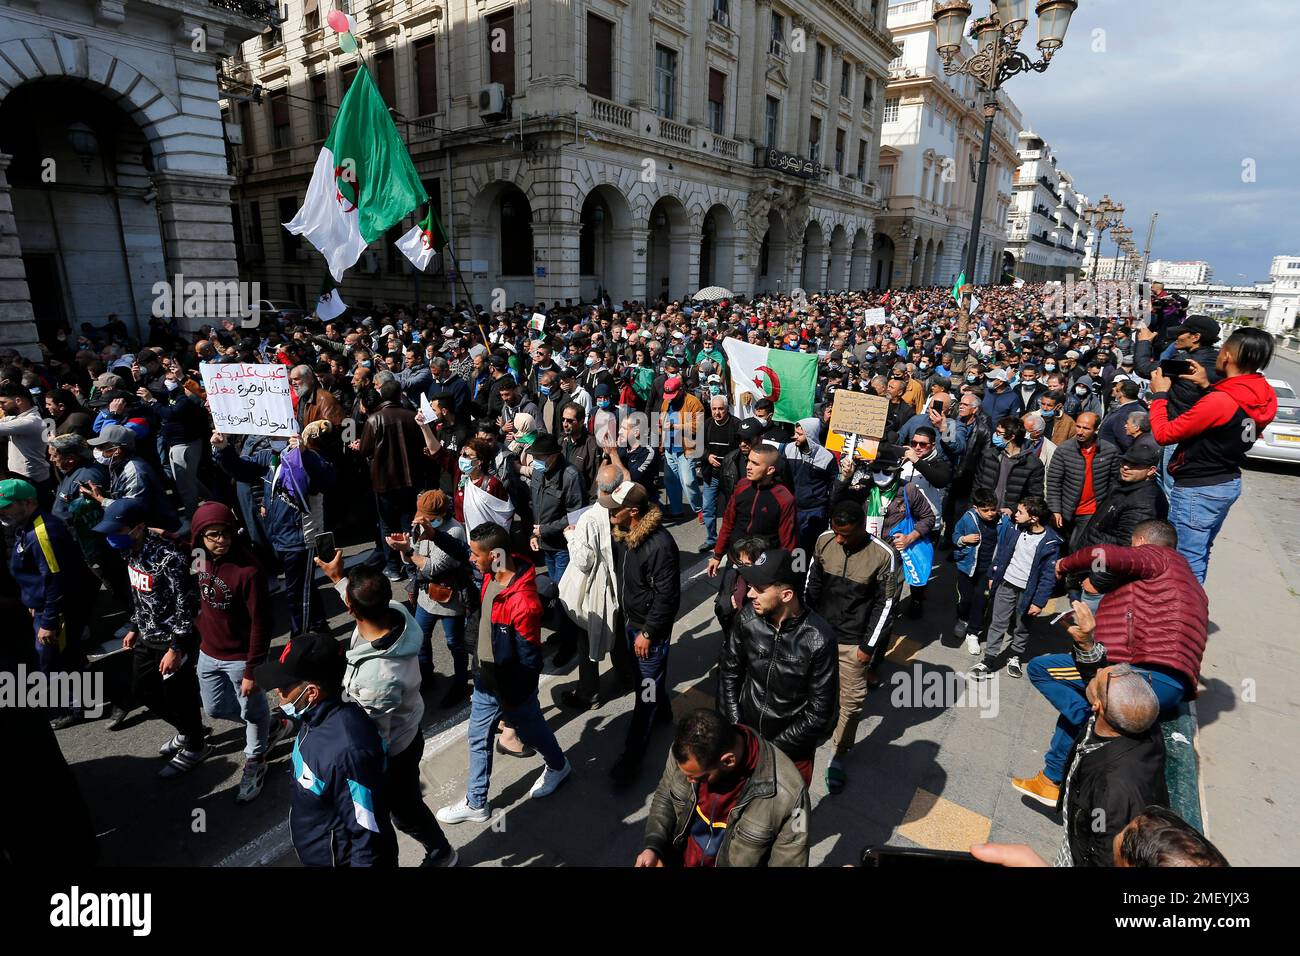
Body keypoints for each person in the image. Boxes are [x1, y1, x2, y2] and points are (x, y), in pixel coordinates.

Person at [1018, 520, 1208, 805]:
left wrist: (1064, 565)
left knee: (1042, 670)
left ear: (1141, 542)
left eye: (1133, 547)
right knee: (1082, 691)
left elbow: (1102, 554)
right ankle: (1050, 779)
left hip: (1143, 674)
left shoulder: (1158, 557)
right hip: (1171, 682)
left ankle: (1086, 726)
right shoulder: (1189, 581)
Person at [315, 555, 459, 867]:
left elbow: (371, 737)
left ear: (352, 610)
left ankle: (441, 853)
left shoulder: (377, 681)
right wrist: (340, 580)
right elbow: (365, 607)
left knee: (404, 813)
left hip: (393, 752)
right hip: (408, 730)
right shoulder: (393, 613)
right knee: (406, 804)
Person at [437, 522, 572, 824]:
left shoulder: (523, 602)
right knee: (477, 736)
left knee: (532, 730)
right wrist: (434, 535)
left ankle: (558, 766)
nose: (472, 559)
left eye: (476, 554)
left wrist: (514, 696)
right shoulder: (492, 572)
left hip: (510, 687)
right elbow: (463, 553)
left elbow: (529, 659)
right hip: (487, 679)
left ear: (495, 555)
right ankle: (476, 802)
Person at [253, 632, 399, 867]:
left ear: (311, 692)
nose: (277, 692)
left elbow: (369, 836)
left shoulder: (349, 752)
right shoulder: (316, 716)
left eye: (284, 686)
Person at [1148, 327, 1278, 583]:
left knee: (1185, 559)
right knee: (1200, 552)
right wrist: (1207, 386)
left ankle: (1185, 616)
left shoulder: (1221, 401)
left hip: (1199, 486)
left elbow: (1165, 433)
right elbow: (1231, 419)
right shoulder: (1264, 393)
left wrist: (1160, 395)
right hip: (1226, 479)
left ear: (1227, 356)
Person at [95, 496, 210, 777]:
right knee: (144, 689)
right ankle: (186, 730)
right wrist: (134, 625)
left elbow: (187, 603)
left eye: (118, 531)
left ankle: (196, 745)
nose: (112, 537)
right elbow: (139, 593)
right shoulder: (130, 552)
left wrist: (177, 647)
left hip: (173, 640)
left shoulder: (168, 557)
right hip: (147, 636)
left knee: (180, 694)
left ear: (138, 527)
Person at [190, 502, 287, 803]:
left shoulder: (248, 571)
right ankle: (269, 724)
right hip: (208, 652)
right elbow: (197, 590)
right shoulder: (198, 556)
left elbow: (261, 623)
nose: (222, 540)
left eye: (227, 534)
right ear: (200, 538)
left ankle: (256, 761)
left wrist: (251, 671)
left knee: (252, 710)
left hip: (240, 658)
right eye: (214, 535)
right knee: (215, 708)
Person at [719, 548, 838, 787]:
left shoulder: (819, 639)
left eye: (759, 589)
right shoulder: (746, 620)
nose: (750, 594)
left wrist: (772, 750)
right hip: (747, 741)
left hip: (792, 754)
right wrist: (738, 729)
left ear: (786, 595)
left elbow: (819, 713)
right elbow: (729, 675)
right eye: (750, 585)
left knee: (786, 817)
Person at [803, 499, 900, 793]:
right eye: (836, 532)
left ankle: (838, 754)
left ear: (862, 528)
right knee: (811, 687)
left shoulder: (883, 555)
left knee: (852, 702)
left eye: (845, 534)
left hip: (853, 643)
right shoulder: (824, 540)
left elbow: (887, 605)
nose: (840, 539)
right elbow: (812, 584)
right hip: (818, 634)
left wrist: (867, 647)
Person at [636, 708, 810, 868]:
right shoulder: (685, 754)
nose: (688, 780)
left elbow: (790, 860)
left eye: (700, 778)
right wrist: (654, 846)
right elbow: (665, 795)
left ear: (728, 761)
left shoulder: (791, 795)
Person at [212, 431, 334, 636]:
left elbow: (327, 479)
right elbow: (242, 470)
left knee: (297, 594)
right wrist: (224, 449)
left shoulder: (307, 455)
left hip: (301, 537)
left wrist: (304, 454)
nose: (274, 439)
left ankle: (300, 638)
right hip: (279, 535)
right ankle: (319, 626)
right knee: (304, 587)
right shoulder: (269, 456)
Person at [1, 477, 98, 727]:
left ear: (28, 502)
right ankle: (83, 702)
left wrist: (50, 620)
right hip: (43, 606)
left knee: (54, 660)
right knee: (66, 657)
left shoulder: (43, 532)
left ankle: (79, 707)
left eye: (7, 506)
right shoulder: (25, 526)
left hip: (56, 610)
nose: (2, 512)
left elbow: (55, 579)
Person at [604, 480, 681, 784]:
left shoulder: (660, 546)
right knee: (645, 681)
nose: (610, 515)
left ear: (632, 512)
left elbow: (667, 598)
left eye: (615, 510)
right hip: (632, 623)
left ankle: (632, 758)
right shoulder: (626, 535)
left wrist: (648, 633)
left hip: (648, 632)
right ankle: (663, 712)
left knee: (645, 694)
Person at [388, 489, 474, 707]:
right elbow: (412, 561)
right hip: (427, 596)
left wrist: (409, 552)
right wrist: (404, 548)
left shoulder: (454, 531)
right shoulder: (419, 525)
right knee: (419, 637)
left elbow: (432, 567)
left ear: (440, 515)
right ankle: (426, 676)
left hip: (450, 597)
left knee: (455, 643)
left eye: (428, 518)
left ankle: (461, 682)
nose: (421, 521)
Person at [970, 495, 1061, 681]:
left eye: (1020, 512)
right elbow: (1002, 553)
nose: (1016, 514)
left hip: (1028, 592)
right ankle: (989, 659)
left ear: (1034, 518)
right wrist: (992, 574)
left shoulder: (1050, 542)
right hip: (1006, 583)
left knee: (1022, 625)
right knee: (998, 622)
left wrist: (1039, 601)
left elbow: (1048, 576)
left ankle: (1015, 655)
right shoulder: (1015, 529)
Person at [1065, 442, 1163, 610]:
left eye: (1135, 465)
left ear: (1151, 470)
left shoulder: (1143, 503)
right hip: (1094, 566)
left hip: (1102, 583)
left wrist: (1097, 582)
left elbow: (1127, 552)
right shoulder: (1126, 487)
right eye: (1125, 462)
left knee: (1092, 632)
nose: (1126, 467)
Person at [557, 464, 622, 711]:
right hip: (620, 584)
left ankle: (588, 693)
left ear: (598, 486)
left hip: (597, 589)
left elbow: (584, 561)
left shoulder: (589, 518)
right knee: (619, 638)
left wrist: (571, 537)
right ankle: (625, 677)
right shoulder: (624, 510)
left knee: (586, 642)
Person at [353, 379, 426, 582]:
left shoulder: (374, 420)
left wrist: (359, 446)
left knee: (388, 525)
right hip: (411, 479)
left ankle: (393, 567)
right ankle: (412, 565)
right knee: (408, 523)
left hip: (384, 482)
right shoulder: (412, 417)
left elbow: (365, 449)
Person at [708, 444, 798, 576]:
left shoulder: (784, 498)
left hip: (764, 566)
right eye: (749, 461)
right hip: (736, 559)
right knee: (728, 596)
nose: (748, 466)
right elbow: (728, 523)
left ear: (770, 469)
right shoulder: (741, 486)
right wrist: (717, 555)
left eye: (755, 463)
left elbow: (788, 540)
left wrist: (787, 574)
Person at [1045, 411, 1120, 552]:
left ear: (1096, 429)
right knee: (1060, 546)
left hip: (1091, 511)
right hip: (1066, 511)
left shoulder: (1109, 451)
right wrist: (1055, 510)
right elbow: (1054, 482)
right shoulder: (1064, 450)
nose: (1080, 432)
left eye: (1085, 428)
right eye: (1078, 426)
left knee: (1078, 547)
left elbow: (1114, 482)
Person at [950, 487, 1002, 654]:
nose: (990, 513)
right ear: (975, 508)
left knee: (981, 600)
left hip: (987, 570)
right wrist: (963, 539)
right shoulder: (968, 518)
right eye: (985, 510)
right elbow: (955, 535)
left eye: (993, 509)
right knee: (966, 598)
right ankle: (963, 619)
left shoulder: (1002, 521)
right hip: (967, 567)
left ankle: (973, 633)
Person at [783, 417, 838, 560]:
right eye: (795, 432)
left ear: (810, 434)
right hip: (793, 509)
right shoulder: (789, 449)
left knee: (810, 550)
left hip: (815, 512)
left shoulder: (826, 457)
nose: (795, 436)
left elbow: (833, 486)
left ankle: (806, 578)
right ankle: (796, 577)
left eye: (799, 434)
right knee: (794, 549)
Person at [657, 375, 705, 522]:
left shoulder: (693, 403)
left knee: (688, 481)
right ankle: (677, 510)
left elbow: (699, 426)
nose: (670, 398)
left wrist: (675, 426)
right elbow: (661, 419)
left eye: (673, 394)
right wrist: (659, 427)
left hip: (686, 448)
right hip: (669, 447)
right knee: (670, 480)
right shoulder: (666, 402)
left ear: (681, 390)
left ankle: (700, 508)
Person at [975, 416, 1045, 515]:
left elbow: (1035, 496)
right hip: (984, 513)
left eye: (999, 433)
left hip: (1009, 520)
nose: (995, 435)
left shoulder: (1033, 464)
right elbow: (977, 485)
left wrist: (1013, 509)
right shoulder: (988, 455)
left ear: (1012, 436)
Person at [0, 382, 56, 506]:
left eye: (3, 403)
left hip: (32, 481)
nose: (1, 407)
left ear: (18, 401)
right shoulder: (17, 418)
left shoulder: (29, 422)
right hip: (25, 478)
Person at [700, 394, 740, 553]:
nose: (717, 412)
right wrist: (707, 456)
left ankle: (732, 539)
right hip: (712, 475)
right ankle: (711, 539)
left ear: (727, 408)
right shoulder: (707, 425)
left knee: (731, 509)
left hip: (731, 477)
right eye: (714, 409)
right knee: (708, 508)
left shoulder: (736, 425)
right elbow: (697, 447)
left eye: (720, 409)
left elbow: (743, 449)